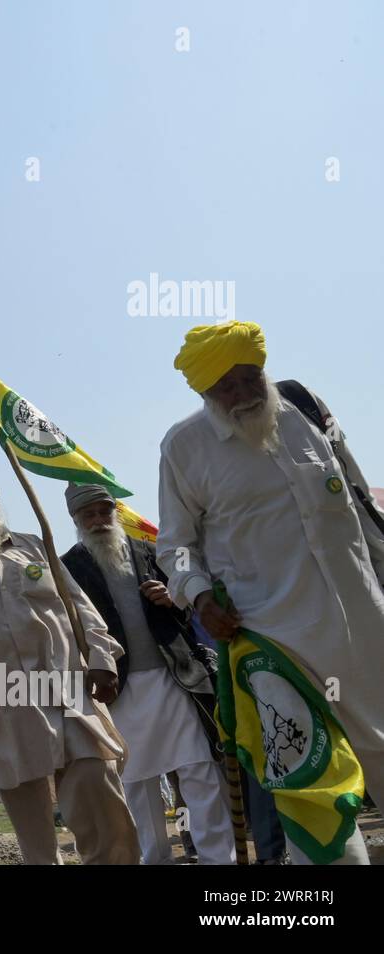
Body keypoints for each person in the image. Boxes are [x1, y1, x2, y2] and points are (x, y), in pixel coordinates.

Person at [157, 320, 384, 864]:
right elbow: (174, 547)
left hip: (365, 627)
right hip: (275, 645)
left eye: (248, 377)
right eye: (224, 387)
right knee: (312, 790)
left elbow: (358, 504)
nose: (241, 394)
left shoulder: (305, 407)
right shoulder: (184, 448)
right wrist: (199, 596)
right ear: (204, 392)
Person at [0, 466, 139, 864]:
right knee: (33, 827)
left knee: (97, 782)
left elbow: (81, 610)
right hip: (0, 698)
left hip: (65, 689)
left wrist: (104, 659)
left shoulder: (36, 547)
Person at [61, 482, 234, 865]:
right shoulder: (67, 569)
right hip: (116, 691)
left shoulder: (151, 553)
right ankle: (154, 859)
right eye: (88, 514)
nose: (98, 520)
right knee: (137, 784)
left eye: (104, 512)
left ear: (115, 512)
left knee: (198, 770)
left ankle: (217, 858)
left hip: (175, 679)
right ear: (75, 519)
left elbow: (188, 614)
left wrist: (175, 597)